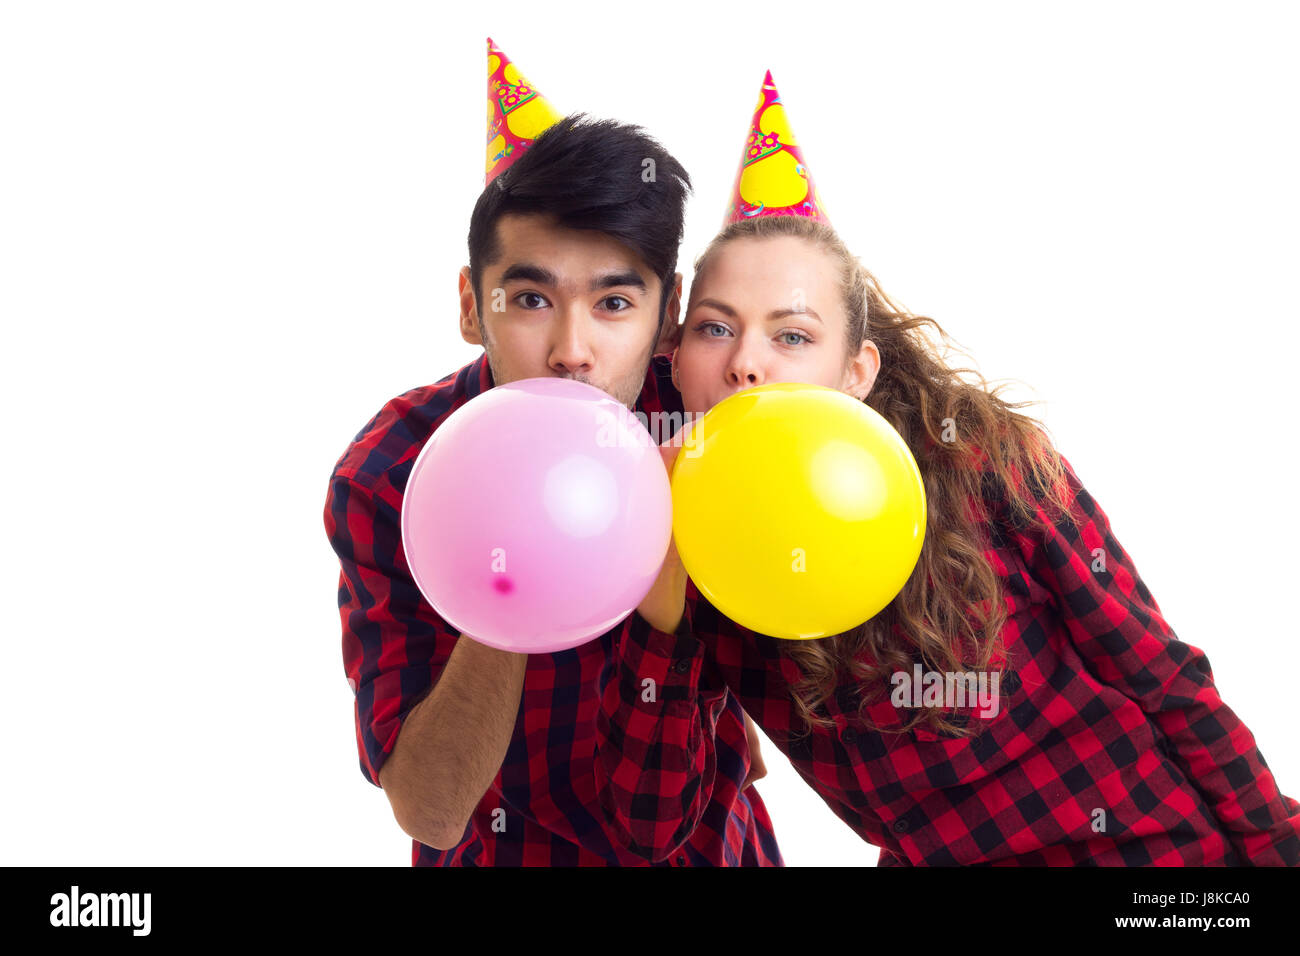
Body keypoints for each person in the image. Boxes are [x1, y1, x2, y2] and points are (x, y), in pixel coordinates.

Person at [592, 73, 1300, 866]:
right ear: (679, 360)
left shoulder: (988, 462)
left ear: (855, 370)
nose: (748, 364)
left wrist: (1274, 850)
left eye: (792, 336)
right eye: (716, 329)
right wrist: (661, 608)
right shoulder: (690, 553)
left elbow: (1162, 677)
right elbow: (648, 827)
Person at [322, 41, 781, 866]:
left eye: (613, 302)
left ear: (666, 313)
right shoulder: (390, 471)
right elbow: (428, 808)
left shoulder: (706, 421)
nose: (573, 351)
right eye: (531, 298)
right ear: (473, 305)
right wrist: (514, 569)